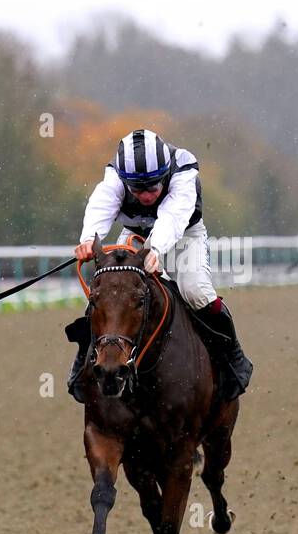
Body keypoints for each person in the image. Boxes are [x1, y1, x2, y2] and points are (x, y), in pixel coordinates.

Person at [67, 128, 252, 401]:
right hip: (136, 234)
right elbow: (101, 205)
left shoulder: (184, 171)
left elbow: (172, 218)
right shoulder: (116, 174)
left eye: (153, 187)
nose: (145, 196)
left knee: (196, 292)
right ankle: (84, 360)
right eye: (136, 189)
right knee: (109, 294)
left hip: (184, 236)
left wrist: (155, 250)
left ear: (164, 175)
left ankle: (232, 356)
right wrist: (87, 240)